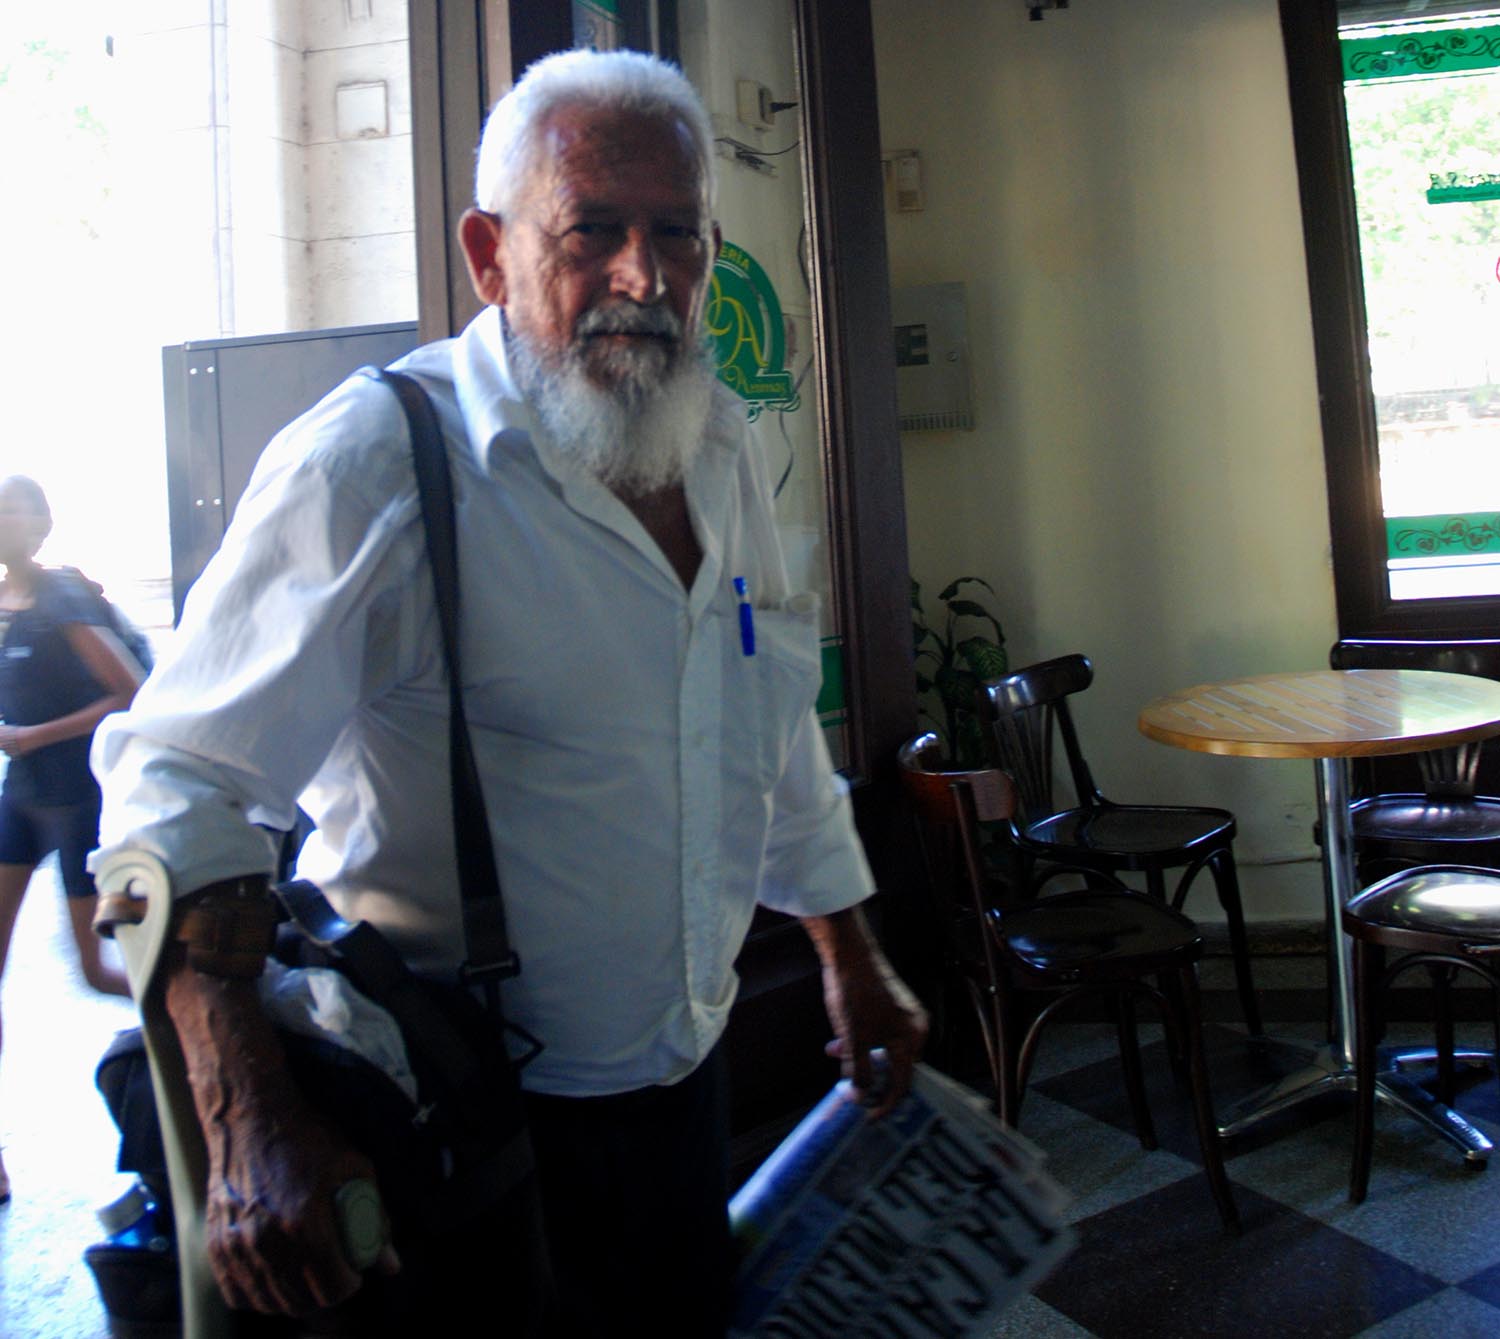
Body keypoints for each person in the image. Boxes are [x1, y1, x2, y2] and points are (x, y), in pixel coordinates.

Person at [91, 47, 926, 1335]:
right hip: (469, 1117)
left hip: (686, 1085)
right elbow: (175, 781)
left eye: (678, 236)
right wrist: (241, 1120)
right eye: (593, 230)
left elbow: (764, 723)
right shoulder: (377, 460)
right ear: (490, 252)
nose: (645, 278)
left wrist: (848, 950)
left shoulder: (717, 438)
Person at [0, 475, 145, 1206]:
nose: (12, 520)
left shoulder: (63, 598)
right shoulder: (1, 605)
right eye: (3, 508)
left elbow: (125, 690)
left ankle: (192, 1022)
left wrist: (33, 735)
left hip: (76, 799)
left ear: (43, 524)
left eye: (25, 509)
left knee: (94, 970)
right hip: (19, 799)